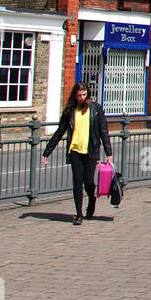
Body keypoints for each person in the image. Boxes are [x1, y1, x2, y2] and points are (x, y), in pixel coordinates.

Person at [41, 82, 113, 225]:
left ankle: (91, 199)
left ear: (88, 94)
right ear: (75, 95)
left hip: (91, 150)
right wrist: (46, 152)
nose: (82, 98)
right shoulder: (70, 111)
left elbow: (103, 131)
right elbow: (59, 132)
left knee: (89, 182)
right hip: (75, 151)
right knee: (77, 182)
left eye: (84, 95)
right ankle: (79, 214)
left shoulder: (96, 109)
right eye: (79, 95)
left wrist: (108, 153)